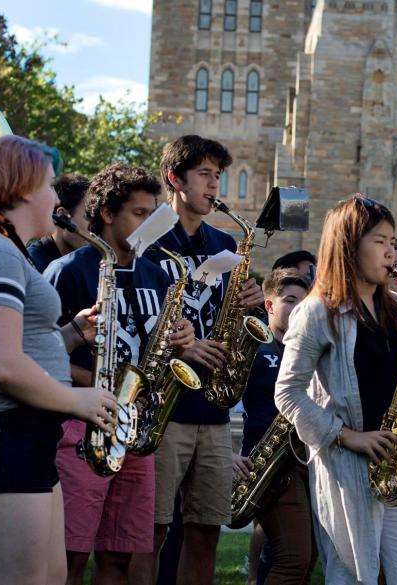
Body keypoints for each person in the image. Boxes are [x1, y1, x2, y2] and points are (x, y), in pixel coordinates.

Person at [0, 134, 117, 585]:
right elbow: (1, 363)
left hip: (18, 432)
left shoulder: (0, 249)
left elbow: (14, 348)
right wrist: (76, 400)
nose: (57, 198)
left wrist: (72, 332)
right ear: (23, 189)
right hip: (0, 432)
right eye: (50, 186)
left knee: (50, 577)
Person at [274, 194, 397, 584]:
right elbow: (287, 392)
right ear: (349, 245)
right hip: (349, 472)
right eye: (380, 242)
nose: (392, 252)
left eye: (392, 241)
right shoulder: (317, 312)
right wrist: (347, 436)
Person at [44, 163, 194, 585]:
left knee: (119, 558)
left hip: (134, 429)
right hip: (79, 425)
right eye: (140, 213)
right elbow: (39, 355)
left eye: (153, 213)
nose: (151, 224)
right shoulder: (68, 271)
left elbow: (155, 351)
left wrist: (180, 337)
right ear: (107, 213)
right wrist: (96, 386)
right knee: (69, 555)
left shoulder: (155, 273)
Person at [137, 135, 264, 585]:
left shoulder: (223, 242)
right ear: (175, 179)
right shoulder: (147, 238)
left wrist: (253, 300)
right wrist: (181, 346)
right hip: (162, 406)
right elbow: (133, 309)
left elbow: (242, 317)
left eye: (218, 176)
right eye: (205, 175)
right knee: (150, 530)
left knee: (207, 528)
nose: (215, 186)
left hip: (212, 408)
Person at [234, 268, 317, 585]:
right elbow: (220, 399)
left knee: (307, 561)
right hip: (268, 464)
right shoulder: (255, 346)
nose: (298, 309)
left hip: (306, 460)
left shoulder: (308, 349)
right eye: (290, 301)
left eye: (303, 301)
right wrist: (228, 455)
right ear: (269, 305)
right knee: (293, 559)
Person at [28, 172, 90, 272]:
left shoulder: (87, 262)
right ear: (63, 215)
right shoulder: (32, 264)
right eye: (89, 216)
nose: (96, 228)